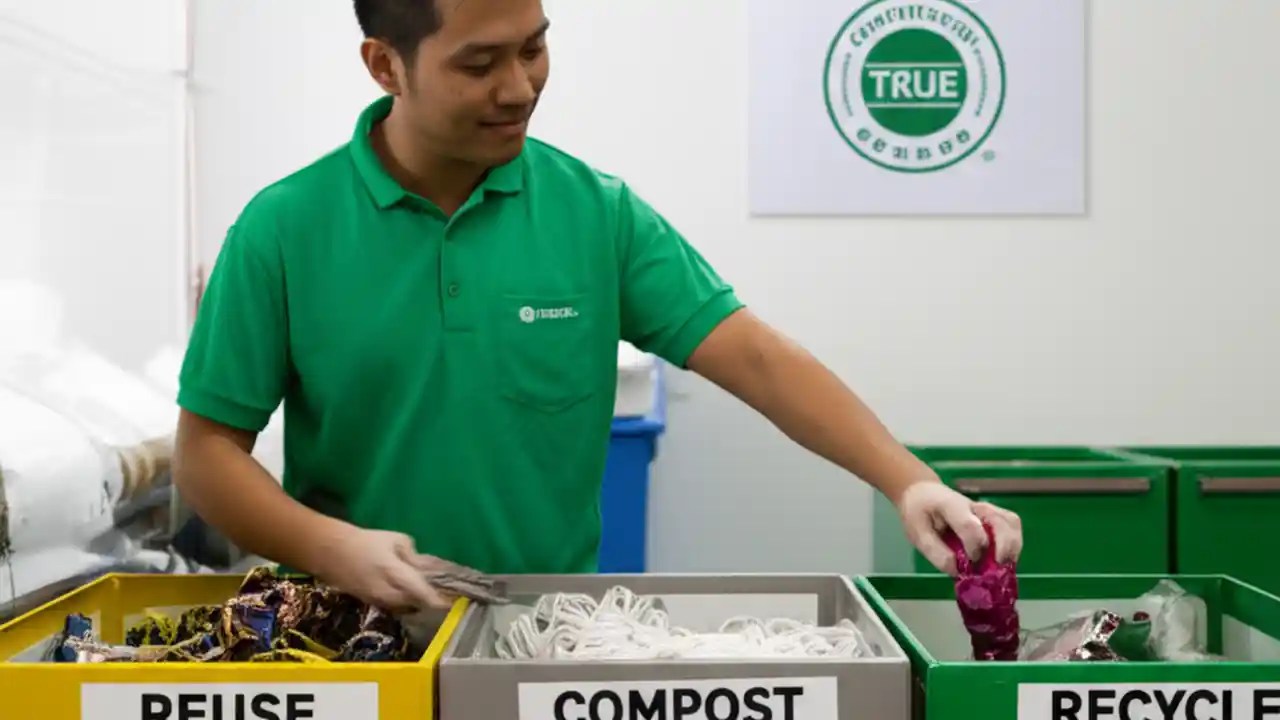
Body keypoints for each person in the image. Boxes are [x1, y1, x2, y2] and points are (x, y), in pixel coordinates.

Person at [172, 0, 1023, 613]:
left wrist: (907, 482)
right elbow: (207, 452)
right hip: (354, 633)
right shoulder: (284, 229)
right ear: (385, 64)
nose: (519, 87)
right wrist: (331, 547)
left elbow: (756, 358)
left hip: (548, 635)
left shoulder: (596, 214)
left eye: (534, 48)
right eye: (479, 63)